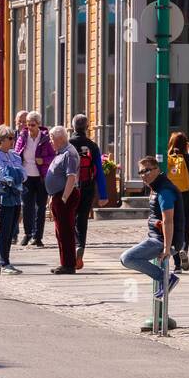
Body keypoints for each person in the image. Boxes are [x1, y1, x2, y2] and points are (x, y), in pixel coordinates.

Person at [120, 156, 180, 300]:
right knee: (128, 258)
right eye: (141, 172)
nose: (143, 175)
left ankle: (166, 279)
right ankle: (164, 281)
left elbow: (168, 221)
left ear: (157, 169)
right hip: (156, 237)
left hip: (162, 240)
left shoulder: (164, 190)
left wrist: (166, 248)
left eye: (147, 170)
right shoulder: (156, 188)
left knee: (127, 258)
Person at [70, 115, 109, 270]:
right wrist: (104, 195)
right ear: (87, 127)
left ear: (73, 127)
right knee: (82, 220)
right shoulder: (92, 145)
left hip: (71, 187)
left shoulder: (68, 144)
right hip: (87, 187)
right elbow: (99, 171)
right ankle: (80, 246)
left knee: (69, 219)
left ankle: (70, 250)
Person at [0, 126, 26, 275]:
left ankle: (7, 261)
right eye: (10, 138)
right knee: (4, 230)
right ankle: (4, 263)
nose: (13, 141)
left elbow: (24, 174)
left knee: (12, 230)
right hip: (3, 197)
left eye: (13, 138)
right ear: (1, 140)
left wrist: (13, 174)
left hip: (16, 195)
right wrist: (14, 173)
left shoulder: (15, 155)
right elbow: (0, 175)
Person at [43, 126, 82, 275]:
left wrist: (64, 198)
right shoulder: (61, 152)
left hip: (65, 196)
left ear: (60, 139)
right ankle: (64, 262)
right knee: (60, 231)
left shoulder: (69, 153)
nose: (51, 142)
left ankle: (69, 265)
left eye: (52, 139)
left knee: (65, 231)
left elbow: (71, 177)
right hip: (58, 196)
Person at [14, 112, 54, 248]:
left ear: (38, 125)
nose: (29, 127)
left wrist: (43, 160)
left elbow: (53, 156)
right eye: (28, 124)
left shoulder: (45, 139)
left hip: (41, 177)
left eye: (32, 125)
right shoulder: (22, 136)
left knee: (41, 207)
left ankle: (38, 236)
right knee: (27, 206)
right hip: (26, 176)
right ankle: (28, 234)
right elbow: (16, 152)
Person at [166, 131, 189, 271]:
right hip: (185, 195)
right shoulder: (186, 157)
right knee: (185, 227)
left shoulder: (166, 158)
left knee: (172, 226)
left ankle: (177, 263)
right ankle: (184, 248)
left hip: (170, 195)